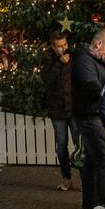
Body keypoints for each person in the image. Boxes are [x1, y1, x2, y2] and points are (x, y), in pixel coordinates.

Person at [72, 28, 105, 209]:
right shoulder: (85, 61)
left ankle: (90, 207)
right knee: (103, 160)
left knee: (92, 162)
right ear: (98, 43)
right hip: (90, 116)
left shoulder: (93, 62)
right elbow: (92, 87)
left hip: (91, 115)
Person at [42, 31, 75, 191]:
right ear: (52, 46)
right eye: (59, 46)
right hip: (57, 109)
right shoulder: (47, 58)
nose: (63, 48)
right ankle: (66, 177)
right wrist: (59, 63)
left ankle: (85, 177)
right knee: (61, 144)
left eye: (65, 45)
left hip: (74, 107)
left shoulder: (74, 56)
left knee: (79, 144)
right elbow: (46, 80)